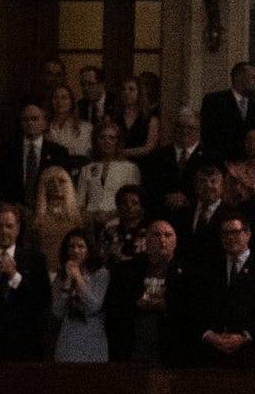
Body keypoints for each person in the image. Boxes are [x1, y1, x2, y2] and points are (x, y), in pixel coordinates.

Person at [190, 213, 255, 368]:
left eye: (235, 232)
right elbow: (198, 305)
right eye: (225, 233)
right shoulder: (209, 268)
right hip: (213, 353)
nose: (230, 237)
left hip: (253, 354)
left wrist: (243, 337)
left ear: (248, 233)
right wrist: (209, 335)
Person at [108, 217, 181, 363]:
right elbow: (114, 306)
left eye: (168, 235)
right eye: (156, 235)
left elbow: (192, 309)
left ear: (175, 241)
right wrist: (135, 303)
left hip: (172, 346)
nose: (162, 240)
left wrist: (167, 306)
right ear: (146, 240)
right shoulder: (128, 270)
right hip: (134, 346)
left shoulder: (187, 272)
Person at [49, 228, 111, 361]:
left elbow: (93, 306)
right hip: (68, 338)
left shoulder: (101, 274)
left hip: (93, 337)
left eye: (81, 246)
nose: (75, 250)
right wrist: (67, 283)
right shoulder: (61, 276)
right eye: (71, 246)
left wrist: (78, 278)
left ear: (89, 249)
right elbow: (57, 312)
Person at [75, 119, 140, 222]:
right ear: (96, 141)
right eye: (102, 137)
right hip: (91, 222)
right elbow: (79, 203)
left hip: (119, 221)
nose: (107, 142)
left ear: (118, 142)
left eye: (112, 138)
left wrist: (111, 214)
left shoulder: (130, 168)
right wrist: (91, 216)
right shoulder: (86, 169)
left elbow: (135, 203)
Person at [43, 83, 92, 162]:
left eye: (64, 98)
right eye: (56, 98)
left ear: (71, 102)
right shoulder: (44, 127)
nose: (59, 102)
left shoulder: (85, 128)